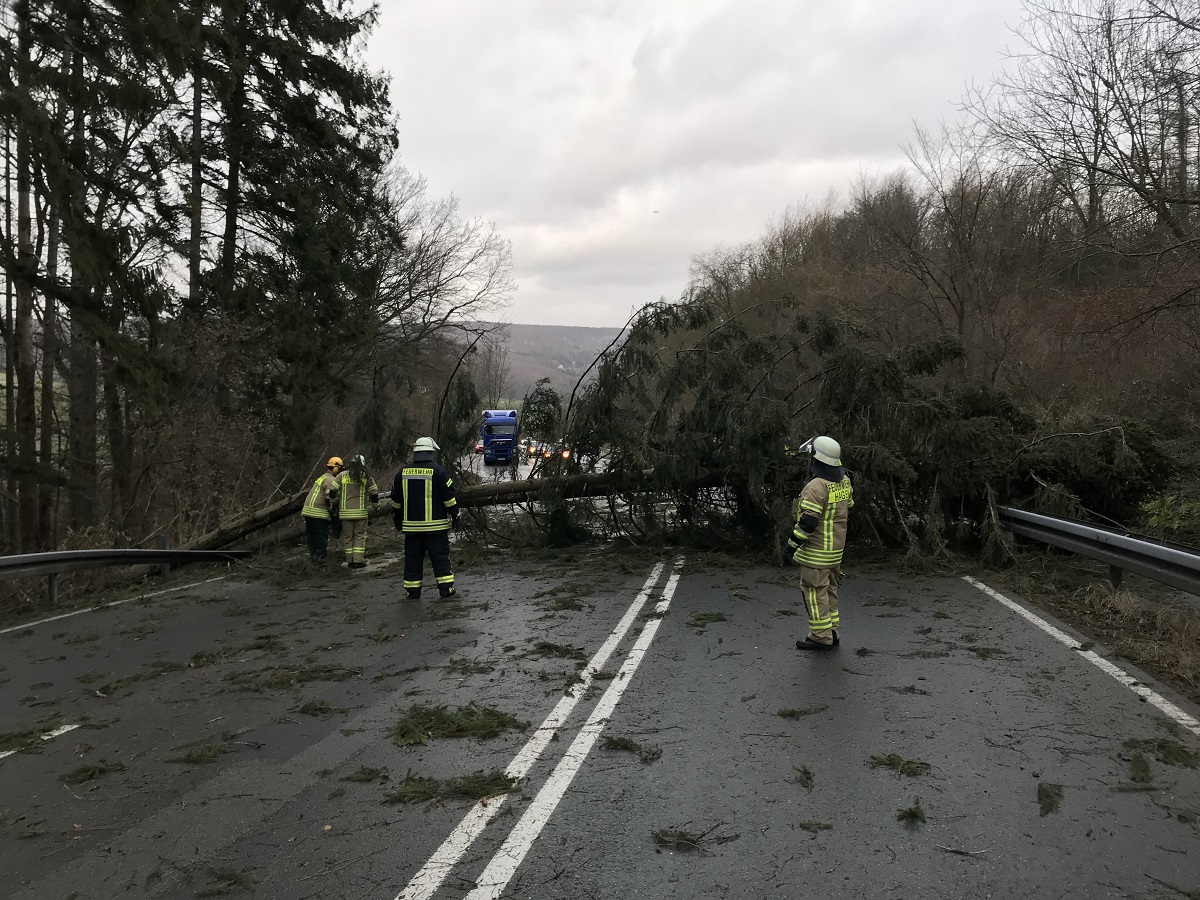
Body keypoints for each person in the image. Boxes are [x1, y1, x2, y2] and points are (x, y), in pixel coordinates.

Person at [787, 436, 853, 651]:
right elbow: (848, 505)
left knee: (814, 594)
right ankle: (832, 632)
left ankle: (820, 637)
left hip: (816, 554)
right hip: (835, 552)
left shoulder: (815, 487)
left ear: (817, 459)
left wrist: (791, 546)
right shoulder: (844, 481)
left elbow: (808, 522)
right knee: (830, 590)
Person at [392, 437, 459, 599]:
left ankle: (413, 591)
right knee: (440, 559)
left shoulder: (402, 473)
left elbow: (396, 501)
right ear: (430, 453)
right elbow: (449, 497)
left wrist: (397, 520)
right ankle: (446, 590)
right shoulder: (439, 472)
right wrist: (455, 515)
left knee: (413, 560)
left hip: (412, 530)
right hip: (435, 529)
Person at [338, 454, 379, 569]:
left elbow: (332, 491)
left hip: (345, 514)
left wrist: (333, 505)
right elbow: (374, 493)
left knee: (348, 537)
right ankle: (358, 560)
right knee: (359, 536)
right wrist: (377, 507)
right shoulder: (366, 477)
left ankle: (349, 561)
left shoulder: (342, 475)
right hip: (360, 513)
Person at [302, 457, 343, 565]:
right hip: (318, 512)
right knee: (321, 537)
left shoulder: (323, 477)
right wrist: (335, 512)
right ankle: (321, 562)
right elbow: (330, 498)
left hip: (308, 510)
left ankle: (314, 560)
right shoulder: (331, 480)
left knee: (312, 537)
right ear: (336, 469)